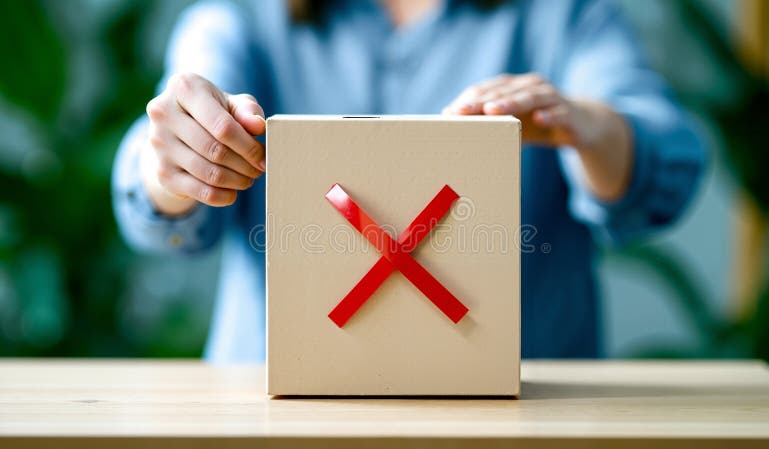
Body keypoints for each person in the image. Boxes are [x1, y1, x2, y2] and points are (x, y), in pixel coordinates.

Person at [112, 0, 705, 362]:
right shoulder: (238, 17)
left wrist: (585, 124)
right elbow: (164, 169)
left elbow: (663, 160)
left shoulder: (564, 14)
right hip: (279, 416)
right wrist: (172, 160)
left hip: (520, 415)